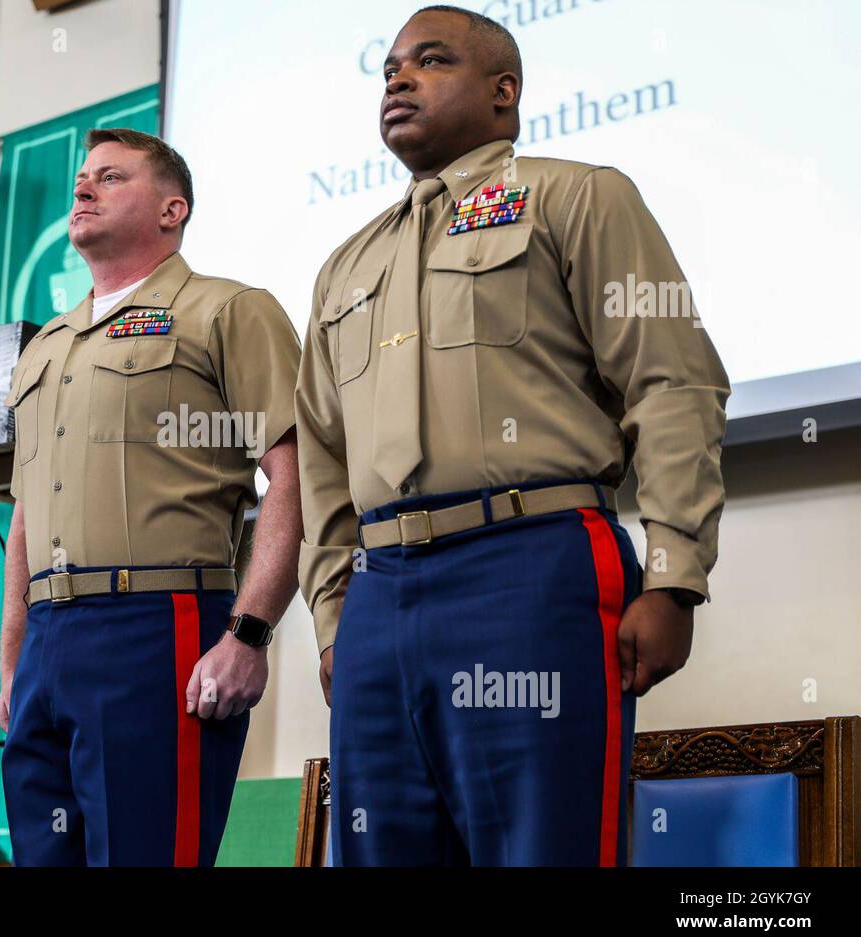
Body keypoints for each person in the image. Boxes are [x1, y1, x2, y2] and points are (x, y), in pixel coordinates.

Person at [294, 5, 730, 866]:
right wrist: (335, 617)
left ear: (504, 92)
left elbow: (672, 381)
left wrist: (676, 575)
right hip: (379, 595)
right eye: (388, 70)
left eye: (429, 61)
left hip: (529, 568)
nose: (399, 80)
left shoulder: (576, 195)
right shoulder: (344, 265)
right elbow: (319, 456)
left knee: (543, 848)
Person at [0, 128, 303, 866]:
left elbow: (297, 476)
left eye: (110, 177)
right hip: (47, 642)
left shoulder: (227, 310)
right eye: (81, 179)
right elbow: (27, 515)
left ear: (173, 209)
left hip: (156, 626)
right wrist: (13, 664)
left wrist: (250, 634)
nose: (83, 189)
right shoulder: (46, 347)